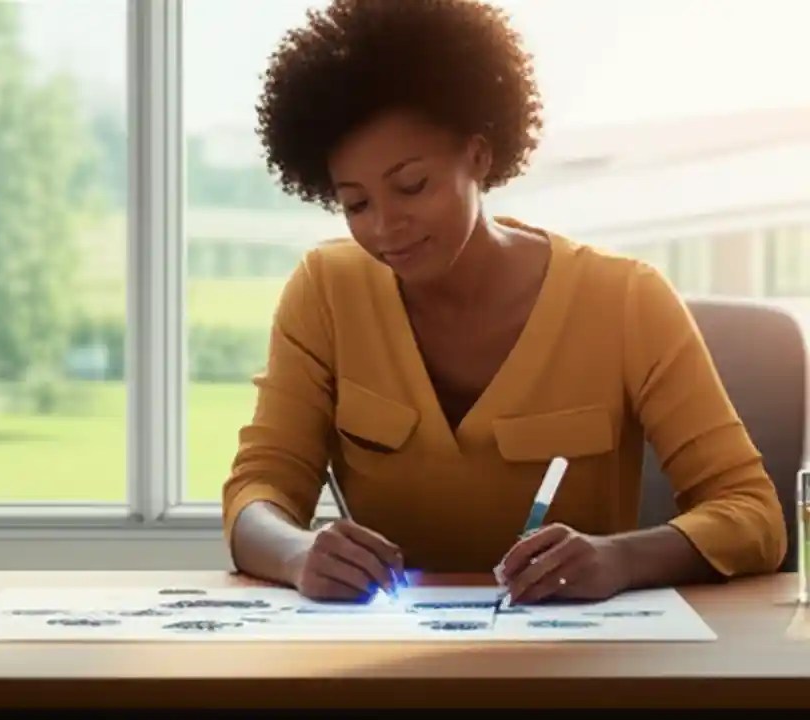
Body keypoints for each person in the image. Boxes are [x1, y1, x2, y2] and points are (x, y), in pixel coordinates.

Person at [221, 0, 786, 605]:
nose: (386, 227)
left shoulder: (626, 301)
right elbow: (258, 493)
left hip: (575, 665)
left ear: (479, 155)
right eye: (356, 204)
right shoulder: (325, 292)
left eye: (412, 186)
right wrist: (298, 551)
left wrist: (620, 558)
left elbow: (753, 513)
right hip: (386, 662)